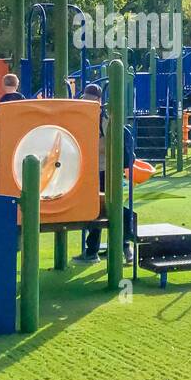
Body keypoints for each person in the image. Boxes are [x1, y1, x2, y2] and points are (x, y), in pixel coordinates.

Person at [77, 83, 134, 263]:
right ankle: (100, 248)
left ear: (99, 101)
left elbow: (106, 144)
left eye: (91, 101)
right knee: (97, 207)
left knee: (104, 207)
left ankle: (121, 245)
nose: (88, 103)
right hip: (95, 169)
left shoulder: (104, 118)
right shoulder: (90, 117)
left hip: (105, 169)